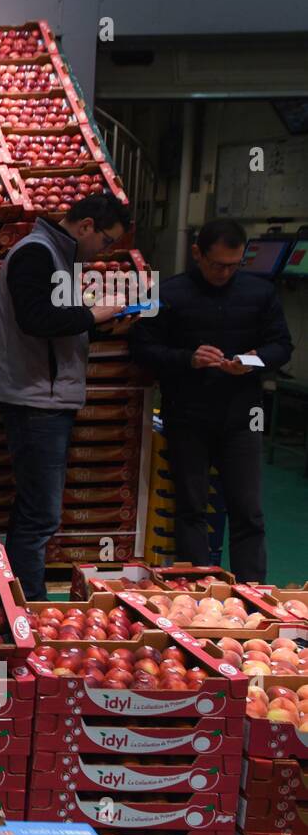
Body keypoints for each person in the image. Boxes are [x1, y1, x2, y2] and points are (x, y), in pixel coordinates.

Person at [129, 219, 293, 582]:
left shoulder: (259, 293)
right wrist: (187, 358)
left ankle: (254, 593)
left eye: (234, 265)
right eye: (217, 264)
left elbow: (282, 346)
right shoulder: (167, 294)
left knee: (248, 511)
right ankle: (200, 591)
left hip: (242, 419)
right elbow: (142, 347)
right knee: (191, 508)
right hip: (187, 415)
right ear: (196, 254)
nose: (225, 272)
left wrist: (253, 361)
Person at [0, 193, 134, 600]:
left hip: (47, 398)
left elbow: (58, 327)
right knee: (40, 516)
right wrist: (95, 314)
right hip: (36, 401)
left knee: (33, 510)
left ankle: (19, 602)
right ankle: (31, 606)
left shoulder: (60, 257)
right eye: (106, 240)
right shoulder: (37, 254)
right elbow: (35, 319)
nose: (105, 249)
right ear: (87, 226)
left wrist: (104, 328)